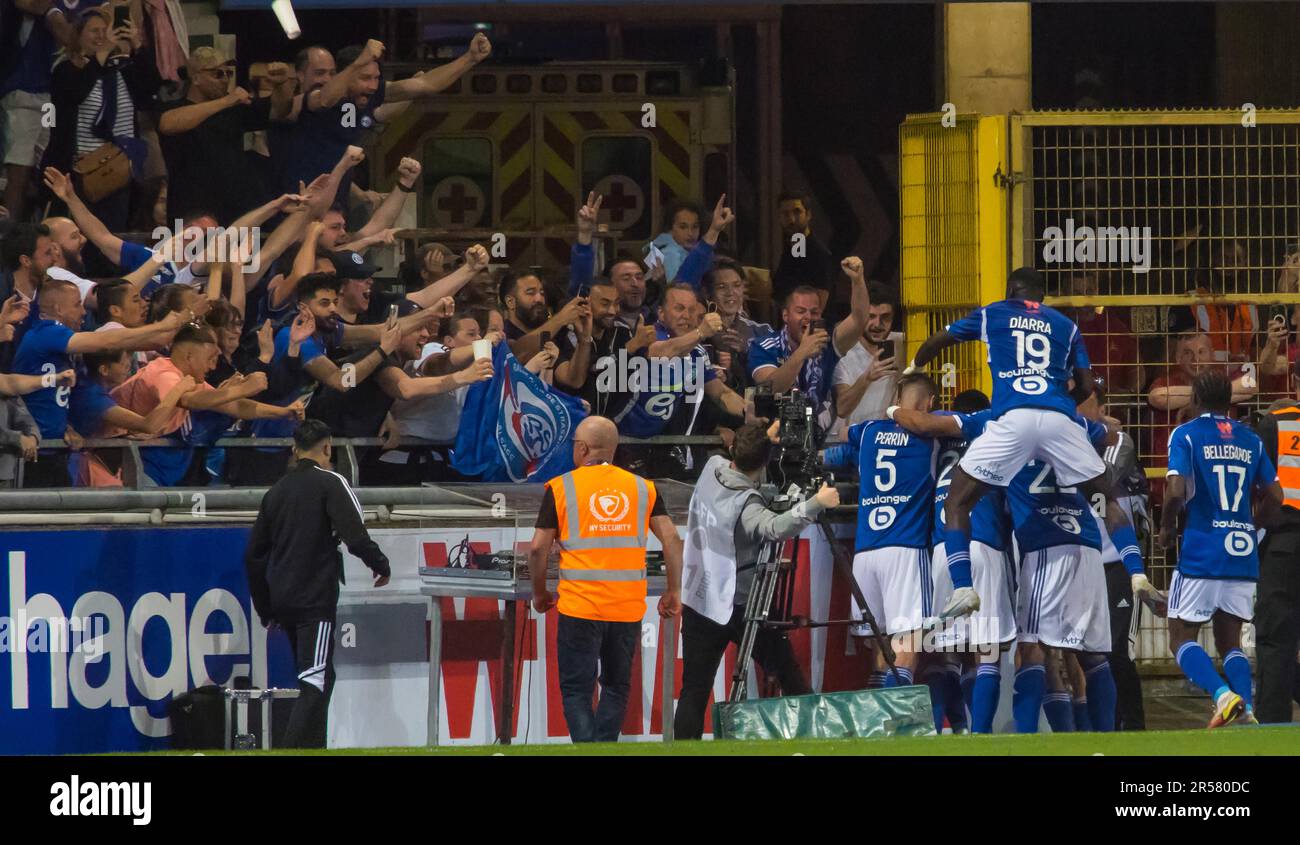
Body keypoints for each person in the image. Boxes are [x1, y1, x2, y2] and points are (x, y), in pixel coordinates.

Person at [908, 267, 1155, 621]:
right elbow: (1085, 382)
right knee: (1106, 499)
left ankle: (963, 587)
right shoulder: (1065, 326)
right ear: (1042, 296)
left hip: (1014, 419)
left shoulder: (995, 312)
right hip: (1058, 419)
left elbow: (938, 342)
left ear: (1011, 291)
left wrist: (913, 367)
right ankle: (1137, 573)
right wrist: (1061, 406)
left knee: (957, 500)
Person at [527, 415, 683, 743]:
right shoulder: (642, 488)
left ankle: (588, 751)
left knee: (576, 691)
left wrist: (539, 593)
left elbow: (538, 548)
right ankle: (605, 748)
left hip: (579, 607)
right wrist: (674, 590)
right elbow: (671, 539)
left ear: (582, 448)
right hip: (626, 609)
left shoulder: (561, 487)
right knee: (616, 686)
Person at [675, 421, 833, 740]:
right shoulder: (746, 501)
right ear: (764, 462)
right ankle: (814, 737)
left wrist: (764, 437)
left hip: (699, 599)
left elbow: (739, 452)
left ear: (734, 449)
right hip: (743, 605)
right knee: (788, 672)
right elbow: (774, 528)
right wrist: (817, 503)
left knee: (694, 689)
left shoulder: (712, 467)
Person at [244, 419, 391, 748]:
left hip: (283, 598)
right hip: (314, 597)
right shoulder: (331, 483)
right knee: (314, 679)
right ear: (327, 447)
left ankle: (315, 749)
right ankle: (292, 751)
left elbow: (254, 556)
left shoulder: (275, 492)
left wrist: (265, 607)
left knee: (322, 675)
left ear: (295, 449)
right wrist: (380, 564)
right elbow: (355, 536)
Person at [887, 389, 1014, 734]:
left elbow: (924, 423)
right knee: (986, 652)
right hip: (982, 543)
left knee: (945, 652)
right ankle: (981, 734)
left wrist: (894, 406)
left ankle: (951, 728)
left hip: (942, 550)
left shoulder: (937, 445)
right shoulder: (997, 437)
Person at [1162, 369, 1283, 728]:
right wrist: (1252, 525)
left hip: (1203, 550)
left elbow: (1173, 491)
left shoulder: (1185, 434)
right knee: (1229, 639)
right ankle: (1245, 709)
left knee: (1179, 636)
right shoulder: (1250, 439)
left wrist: (1167, 528)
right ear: (1228, 401)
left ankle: (1222, 695)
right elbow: (1276, 497)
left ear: (1196, 399)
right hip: (1242, 550)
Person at [821, 372, 940, 695]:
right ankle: (897, 728)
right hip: (905, 547)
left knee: (882, 642)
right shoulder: (930, 436)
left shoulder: (869, 432)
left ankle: (878, 721)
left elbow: (844, 436)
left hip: (866, 552)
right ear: (929, 403)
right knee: (909, 641)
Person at [13, 278, 182, 486]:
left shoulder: (60, 350)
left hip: (54, 451)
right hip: (33, 453)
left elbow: (48, 399)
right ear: (58, 308)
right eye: (77, 305)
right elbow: (108, 340)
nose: (84, 312)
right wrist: (163, 326)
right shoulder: (46, 333)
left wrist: (65, 426)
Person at [157, 47, 294, 223]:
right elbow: (167, 124)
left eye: (228, 74)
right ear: (196, 77)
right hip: (190, 211)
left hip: (234, 211)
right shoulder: (175, 107)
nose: (225, 80)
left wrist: (282, 84)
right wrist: (226, 101)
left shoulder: (235, 110)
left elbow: (278, 110)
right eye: (217, 74)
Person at [750, 256, 872, 433]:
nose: (808, 317)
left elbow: (859, 320)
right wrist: (802, 352)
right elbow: (772, 387)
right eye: (801, 311)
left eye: (814, 312)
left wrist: (858, 280)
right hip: (772, 439)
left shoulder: (827, 343)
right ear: (785, 315)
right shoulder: (764, 346)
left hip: (814, 438)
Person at [1253, 392, 1300, 723]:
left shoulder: (1278, 424)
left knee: (1276, 639)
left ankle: (1273, 725)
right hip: (1283, 540)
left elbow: (1261, 488)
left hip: (1284, 544)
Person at [832, 281, 900, 430]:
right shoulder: (843, 351)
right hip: (844, 441)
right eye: (871, 316)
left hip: (880, 439)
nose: (877, 324)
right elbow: (842, 408)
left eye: (885, 317)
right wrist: (868, 377)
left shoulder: (901, 344)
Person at [772, 190, 834, 309]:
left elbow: (819, 307)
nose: (791, 220)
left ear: (808, 215)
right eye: (785, 213)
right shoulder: (795, 247)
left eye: (797, 212)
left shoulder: (819, 254)